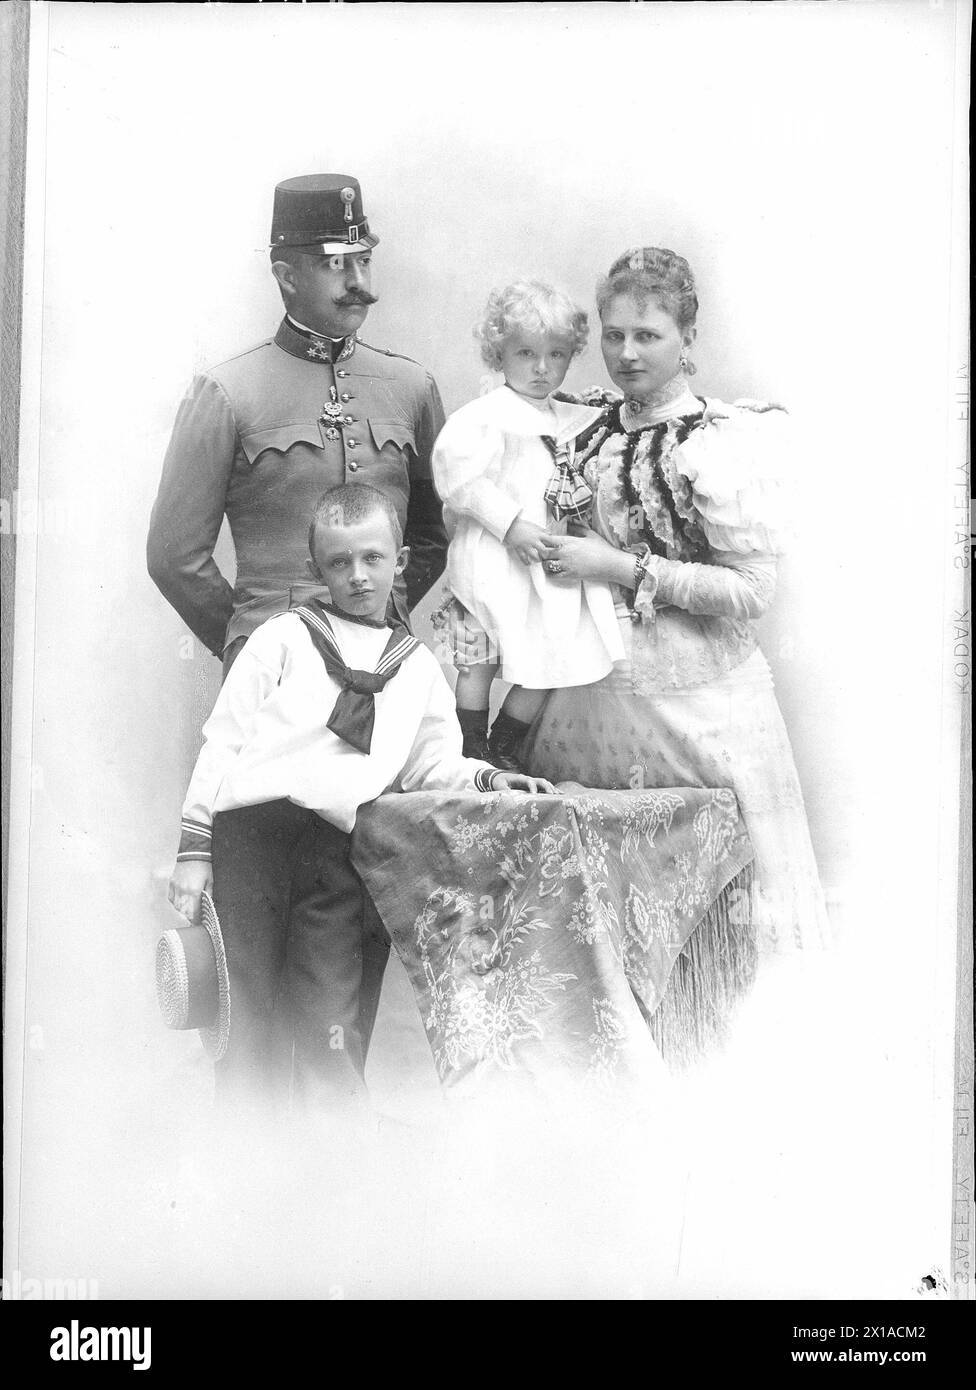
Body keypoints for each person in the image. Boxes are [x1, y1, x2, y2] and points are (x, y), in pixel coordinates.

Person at [167, 484, 552, 1115]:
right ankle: (245, 1166)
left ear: (400, 561)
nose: (358, 576)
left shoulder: (418, 666)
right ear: (315, 567)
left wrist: (487, 779)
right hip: (252, 842)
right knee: (247, 1015)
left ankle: (333, 1173)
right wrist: (194, 851)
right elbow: (223, 741)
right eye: (339, 562)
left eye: (373, 559)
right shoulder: (282, 638)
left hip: (337, 851)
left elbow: (432, 762)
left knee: (329, 1014)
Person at [522, 246, 830, 955]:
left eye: (648, 335)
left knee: (721, 927)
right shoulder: (582, 432)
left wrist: (620, 566)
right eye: (613, 334)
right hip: (589, 704)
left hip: (703, 708)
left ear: (688, 338)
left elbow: (751, 593)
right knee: (602, 919)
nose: (626, 353)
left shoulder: (720, 442)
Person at [147, 174, 448, 676]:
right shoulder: (225, 392)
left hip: (385, 665)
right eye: (336, 265)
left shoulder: (412, 384)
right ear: (286, 275)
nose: (359, 283)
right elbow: (173, 557)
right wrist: (248, 643)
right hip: (274, 675)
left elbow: (432, 533)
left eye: (364, 261)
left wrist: (382, 608)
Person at [431, 281, 624, 769]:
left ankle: (504, 744)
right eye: (526, 353)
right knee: (480, 653)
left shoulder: (570, 416)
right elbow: (460, 480)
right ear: (499, 354)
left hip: (545, 560)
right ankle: (468, 745)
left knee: (551, 658)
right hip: (496, 554)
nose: (542, 369)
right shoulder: (485, 417)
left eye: (556, 355)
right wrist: (510, 524)